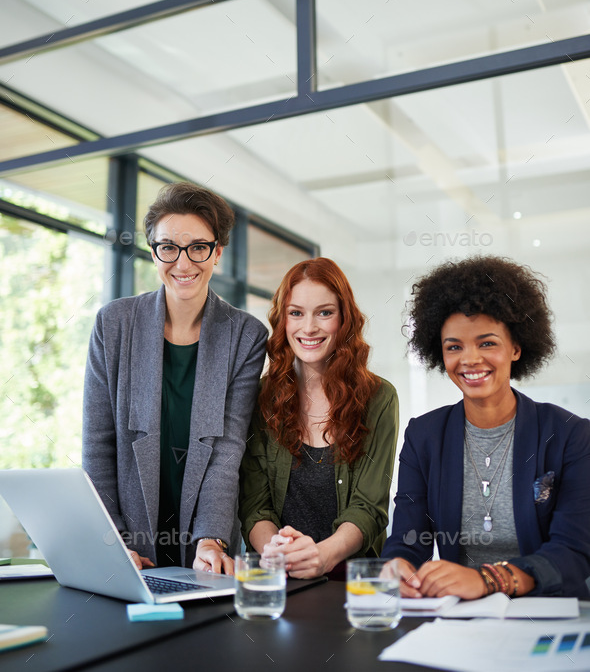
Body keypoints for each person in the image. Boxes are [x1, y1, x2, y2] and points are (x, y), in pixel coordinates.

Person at [83, 182, 267, 575]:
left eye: (198, 247)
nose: (183, 264)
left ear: (217, 252)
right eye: (168, 247)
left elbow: (228, 449)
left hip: (206, 546)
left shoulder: (246, 336)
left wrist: (211, 538)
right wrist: (112, 540)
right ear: (153, 252)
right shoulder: (113, 324)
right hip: (128, 544)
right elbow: (98, 445)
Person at [382, 254, 590, 599]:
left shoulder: (570, 435)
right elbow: (407, 539)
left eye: (487, 343)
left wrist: (488, 581)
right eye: (454, 347)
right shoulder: (424, 437)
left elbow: (574, 552)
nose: (470, 359)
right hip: (459, 617)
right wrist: (398, 566)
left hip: (548, 612)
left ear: (517, 348)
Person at [239, 257, 399, 579]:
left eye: (324, 312)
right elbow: (255, 505)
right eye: (296, 313)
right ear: (282, 320)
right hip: (276, 574)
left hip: (352, 582)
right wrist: (279, 551)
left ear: (344, 319)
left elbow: (369, 507)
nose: (309, 327)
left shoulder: (380, 398)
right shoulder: (258, 398)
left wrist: (320, 556)